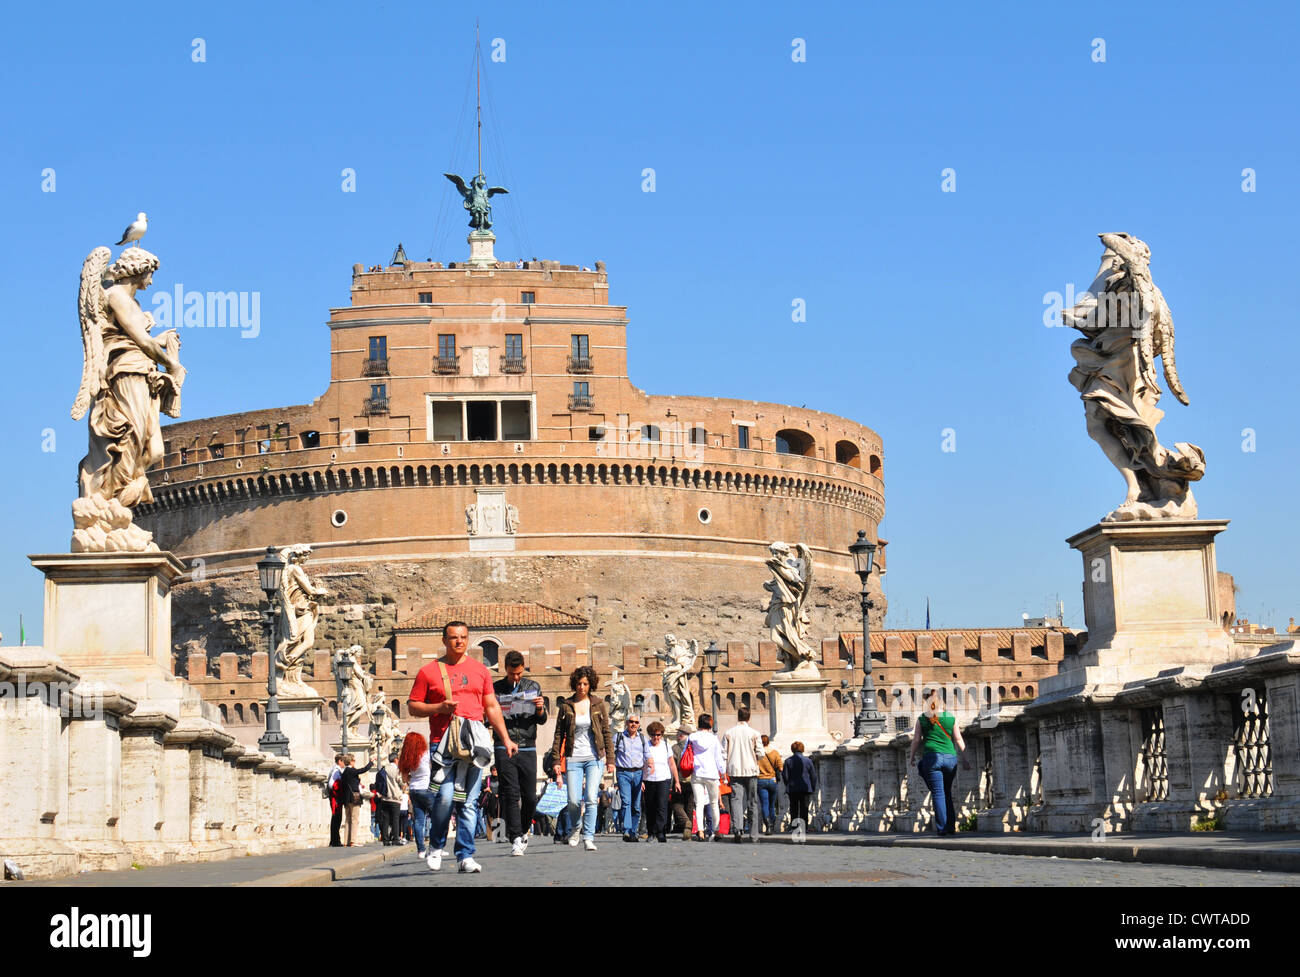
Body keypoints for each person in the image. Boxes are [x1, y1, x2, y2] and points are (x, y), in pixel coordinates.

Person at [407, 620, 518, 874]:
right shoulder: (429, 671)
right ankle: (435, 846)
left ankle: (465, 855)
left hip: (475, 743)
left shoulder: (480, 671)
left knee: (469, 802)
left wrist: (506, 738)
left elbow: (491, 707)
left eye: (464, 637)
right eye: (454, 637)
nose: (459, 641)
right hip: (443, 743)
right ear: (444, 640)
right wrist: (438, 708)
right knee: (445, 798)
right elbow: (413, 706)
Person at [549, 665, 615, 851]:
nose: (582, 687)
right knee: (573, 800)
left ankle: (589, 836)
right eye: (579, 683)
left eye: (585, 684)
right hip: (573, 758)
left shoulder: (598, 704)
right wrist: (556, 760)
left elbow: (606, 732)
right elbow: (558, 735)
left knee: (592, 798)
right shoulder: (566, 706)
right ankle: (576, 828)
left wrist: (610, 758)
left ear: (590, 685)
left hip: (594, 757)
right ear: (574, 684)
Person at [492, 649, 547, 856]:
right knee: (511, 794)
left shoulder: (533, 687)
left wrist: (540, 708)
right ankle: (515, 838)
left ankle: (523, 830)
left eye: (520, 673)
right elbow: (489, 719)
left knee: (530, 797)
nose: (516, 677)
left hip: (528, 745)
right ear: (505, 669)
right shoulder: (495, 688)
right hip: (503, 745)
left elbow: (541, 719)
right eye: (512, 673)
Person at [908, 690, 971, 835]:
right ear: (941, 702)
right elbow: (959, 739)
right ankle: (951, 827)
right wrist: (966, 758)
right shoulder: (950, 718)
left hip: (932, 758)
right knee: (947, 792)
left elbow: (916, 740)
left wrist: (911, 757)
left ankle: (942, 828)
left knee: (938, 793)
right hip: (950, 758)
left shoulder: (923, 718)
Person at [722, 706, 764, 842]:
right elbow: (760, 753)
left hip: (734, 771)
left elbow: (723, 754)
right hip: (751, 770)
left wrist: (724, 771)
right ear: (749, 718)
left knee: (736, 800)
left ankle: (738, 829)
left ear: (738, 717)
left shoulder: (728, 733)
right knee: (752, 802)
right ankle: (753, 834)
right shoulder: (755, 733)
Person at [686, 715, 725, 841]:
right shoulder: (713, 739)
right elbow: (718, 757)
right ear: (710, 724)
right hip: (711, 773)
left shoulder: (692, 737)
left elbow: (685, 753)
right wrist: (723, 772)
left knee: (699, 803)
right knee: (714, 803)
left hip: (697, 773)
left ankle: (700, 831)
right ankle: (716, 830)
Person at [399, 731, 436, 859]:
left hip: (414, 790)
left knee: (419, 821)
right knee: (436, 819)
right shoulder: (426, 755)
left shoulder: (407, 758)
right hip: (426, 789)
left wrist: (414, 778)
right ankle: (434, 848)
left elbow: (405, 779)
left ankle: (421, 850)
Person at [641, 720, 680, 842]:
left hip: (663, 779)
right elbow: (641, 764)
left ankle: (661, 831)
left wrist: (677, 781)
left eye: (658, 735)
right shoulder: (645, 746)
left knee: (662, 806)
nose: (656, 738)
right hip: (649, 779)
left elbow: (672, 764)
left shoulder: (666, 745)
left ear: (661, 735)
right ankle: (651, 832)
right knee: (650, 806)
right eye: (653, 735)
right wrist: (641, 780)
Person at [613, 715, 648, 842]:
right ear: (627, 723)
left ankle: (633, 831)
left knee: (636, 805)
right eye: (631, 722)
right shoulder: (618, 737)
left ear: (639, 724)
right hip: (623, 773)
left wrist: (650, 767)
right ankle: (627, 830)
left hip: (638, 774)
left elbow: (647, 755)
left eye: (636, 722)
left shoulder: (643, 739)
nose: (633, 724)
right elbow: (611, 752)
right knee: (626, 801)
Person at [339, 753, 373, 847]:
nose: (355, 762)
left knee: (347, 820)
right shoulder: (351, 770)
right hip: (354, 798)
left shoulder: (344, 772)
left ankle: (346, 841)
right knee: (354, 819)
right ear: (350, 761)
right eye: (354, 760)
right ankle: (353, 841)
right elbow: (363, 770)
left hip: (346, 799)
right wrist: (371, 763)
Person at [782, 742, 817, 831]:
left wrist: (788, 784)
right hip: (805, 788)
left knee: (793, 808)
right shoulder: (808, 761)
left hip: (792, 788)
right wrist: (812, 787)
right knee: (804, 808)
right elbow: (813, 776)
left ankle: (794, 827)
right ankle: (803, 826)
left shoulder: (788, 761)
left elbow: (785, 776)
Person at [670, 728, 696, 838]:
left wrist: (672, 783)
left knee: (676, 804)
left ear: (681, 735)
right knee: (689, 806)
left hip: (679, 780)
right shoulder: (695, 747)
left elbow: (672, 767)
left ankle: (686, 822)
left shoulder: (675, 748)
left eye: (677, 734)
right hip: (693, 781)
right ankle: (688, 831)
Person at [376, 750, 405, 845]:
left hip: (385, 797)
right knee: (395, 819)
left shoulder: (384, 769)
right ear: (396, 760)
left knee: (386, 819)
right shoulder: (396, 770)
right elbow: (401, 782)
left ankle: (385, 840)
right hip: (394, 798)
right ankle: (395, 839)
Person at [756, 735, 783, 835]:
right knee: (772, 805)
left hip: (761, 780)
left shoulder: (757, 754)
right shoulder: (775, 752)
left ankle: (767, 826)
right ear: (768, 742)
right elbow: (780, 768)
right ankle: (772, 824)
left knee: (764, 804)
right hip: (772, 780)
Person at [328, 754, 345, 846]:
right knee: (337, 819)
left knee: (336, 819)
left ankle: (334, 840)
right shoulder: (336, 771)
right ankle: (335, 840)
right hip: (336, 798)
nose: (344, 764)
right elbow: (331, 784)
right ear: (339, 761)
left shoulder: (334, 770)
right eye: (343, 761)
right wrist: (337, 791)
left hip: (335, 797)